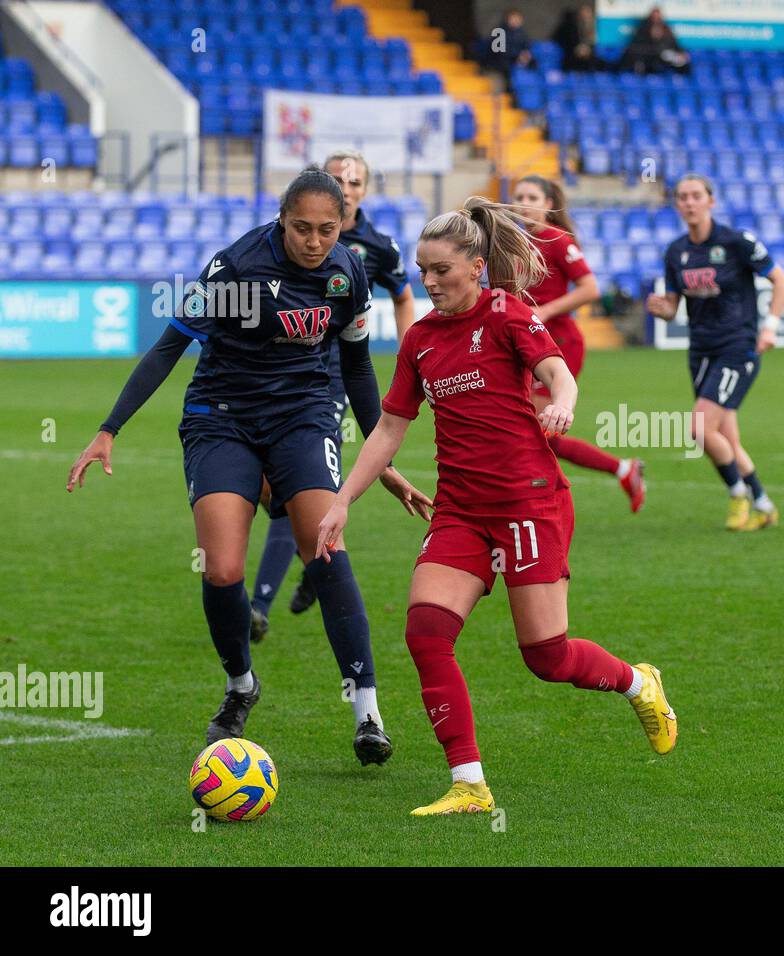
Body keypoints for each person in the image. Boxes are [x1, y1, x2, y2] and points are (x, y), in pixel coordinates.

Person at [315, 197, 677, 815]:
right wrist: (344, 497)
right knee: (427, 631)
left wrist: (562, 401)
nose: (429, 283)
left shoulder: (509, 314)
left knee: (547, 657)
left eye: (442, 271)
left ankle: (638, 682)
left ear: (477, 266)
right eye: (423, 271)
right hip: (459, 510)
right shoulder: (421, 340)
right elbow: (388, 429)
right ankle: (469, 783)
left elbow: (559, 373)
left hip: (528, 504)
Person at [66, 167, 433, 763]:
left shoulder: (349, 273)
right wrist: (109, 429)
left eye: (327, 229)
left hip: (304, 416)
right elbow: (168, 346)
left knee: (324, 549)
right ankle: (241, 684)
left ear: (344, 225)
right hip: (222, 416)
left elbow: (360, 369)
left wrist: (379, 457)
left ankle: (367, 710)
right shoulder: (233, 268)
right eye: (301, 229)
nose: (315, 242)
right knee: (221, 569)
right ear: (280, 219)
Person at [250, 149, 418, 635]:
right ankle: (312, 560)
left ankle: (260, 604)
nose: (348, 188)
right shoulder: (284, 240)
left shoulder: (375, 247)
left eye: (357, 182)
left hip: (330, 383)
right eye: (339, 180)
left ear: (365, 191)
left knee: (295, 484)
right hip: (276, 380)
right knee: (275, 491)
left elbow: (403, 295)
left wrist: (412, 354)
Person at [645, 173, 784, 530]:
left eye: (696, 195)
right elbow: (673, 308)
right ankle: (764, 504)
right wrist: (660, 308)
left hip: (737, 347)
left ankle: (738, 494)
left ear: (712, 201)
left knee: (698, 427)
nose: (689, 202)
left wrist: (770, 327)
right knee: (724, 439)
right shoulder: (676, 252)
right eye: (682, 197)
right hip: (701, 351)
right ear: (676, 205)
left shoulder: (736, 242)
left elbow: (781, 280)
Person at [511, 174, 646, 511]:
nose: (524, 203)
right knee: (536, 431)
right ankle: (623, 470)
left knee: (536, 429)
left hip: (559, 344)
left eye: (532, 197)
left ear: (548, 204)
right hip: (528, 344)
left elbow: (590, 288)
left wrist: (543, 312)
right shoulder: (515, 242)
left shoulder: (557, 240)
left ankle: (544, 500)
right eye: (519, 197)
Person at [618, 6, 689, 75]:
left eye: (658, 16)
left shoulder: (666, 28)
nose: (656, 18)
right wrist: (653, 39)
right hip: (650, 55)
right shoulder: (643, 28)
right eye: (654, 16)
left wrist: (681, 52)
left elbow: (674, 43)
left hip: (666, 54)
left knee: (681, 61)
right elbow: (638, 45)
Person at [482, 8, 532, 80]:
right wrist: (517, 57)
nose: (516, 21)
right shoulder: (499, 32)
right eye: (513, 18)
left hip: (516, 65)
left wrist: (526, 55)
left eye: (518, 18)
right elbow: (499, 53)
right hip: (498, 68)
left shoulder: (522, 33)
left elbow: (527, 47)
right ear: (507, 19)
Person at [553, 2, 602, 72]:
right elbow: (565, 41)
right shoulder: (570, 28)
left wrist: (588, 49)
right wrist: (577, 49)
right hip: (573, 54)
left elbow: (596, 41)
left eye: (587, 13)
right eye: (583, 13)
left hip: (591, 54)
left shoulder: (596, 27)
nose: (584, 15)